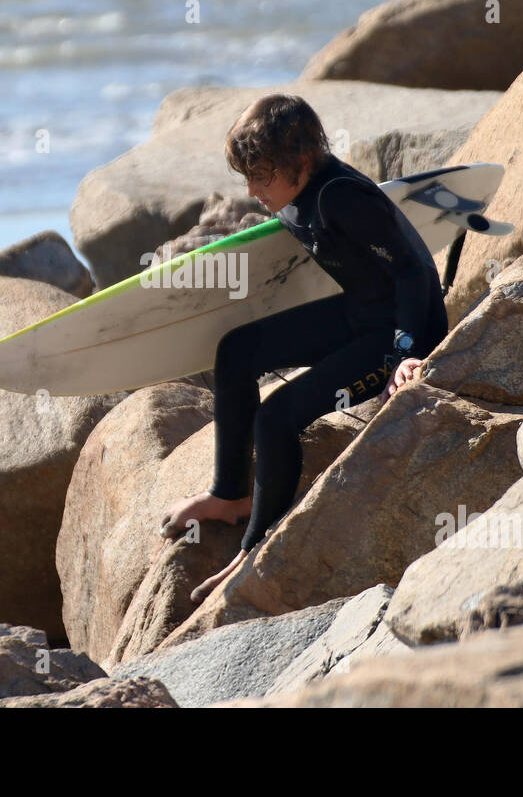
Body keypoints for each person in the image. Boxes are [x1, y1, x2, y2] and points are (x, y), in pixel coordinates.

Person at [158, 93, 448, 603]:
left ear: (303, 163)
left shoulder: (341, 196)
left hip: (397, 334)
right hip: (359, 311)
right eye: (247, 177)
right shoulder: (295, 190)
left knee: (276, 418)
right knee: (237, 349)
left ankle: (256, 549)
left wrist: (406, 352)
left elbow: (414, 270)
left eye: (262, 177)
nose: (251, 189)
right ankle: (230, 494)